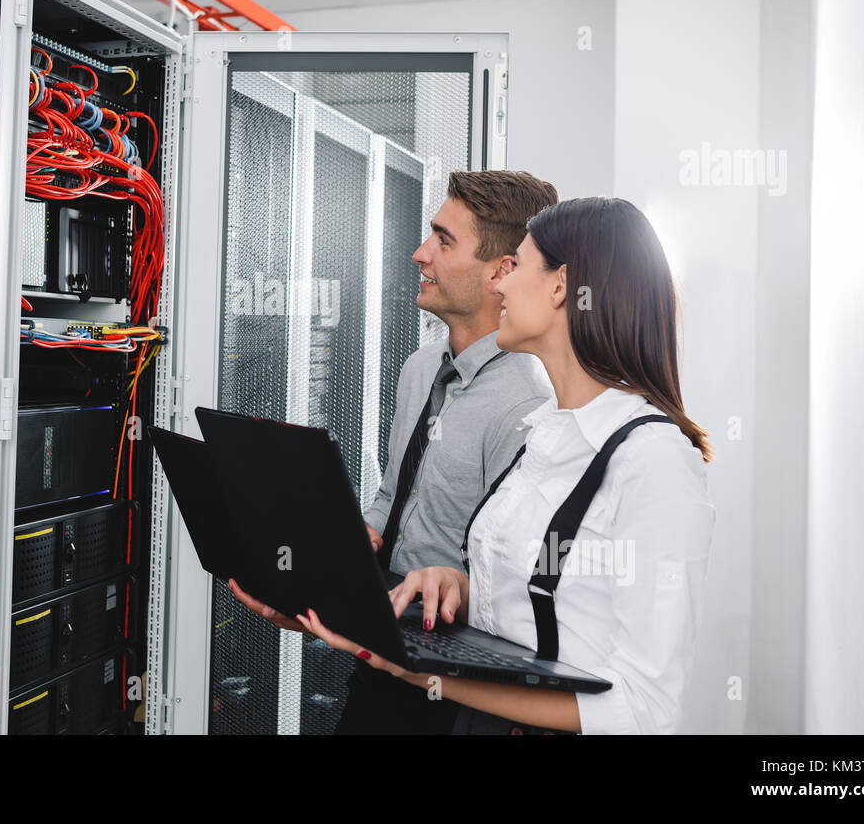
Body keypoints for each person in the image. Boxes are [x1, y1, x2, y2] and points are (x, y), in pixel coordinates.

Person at [295, 196, 716, 734]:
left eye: (517, 267)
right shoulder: (547, 432)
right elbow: (544, 615)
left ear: (561, 287)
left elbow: (642, 711)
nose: (501, 285)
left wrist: (414, 670)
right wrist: (457, 588)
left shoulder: (653, 462)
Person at [229, 170, 558, 734]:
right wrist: (353, 549)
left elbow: (521, 576)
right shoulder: (420, 367)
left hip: (456, 679)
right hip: (381, 645)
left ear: (502, 270)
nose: (419, 253)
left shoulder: (529, 403)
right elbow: (392, 494)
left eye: (443, 240)